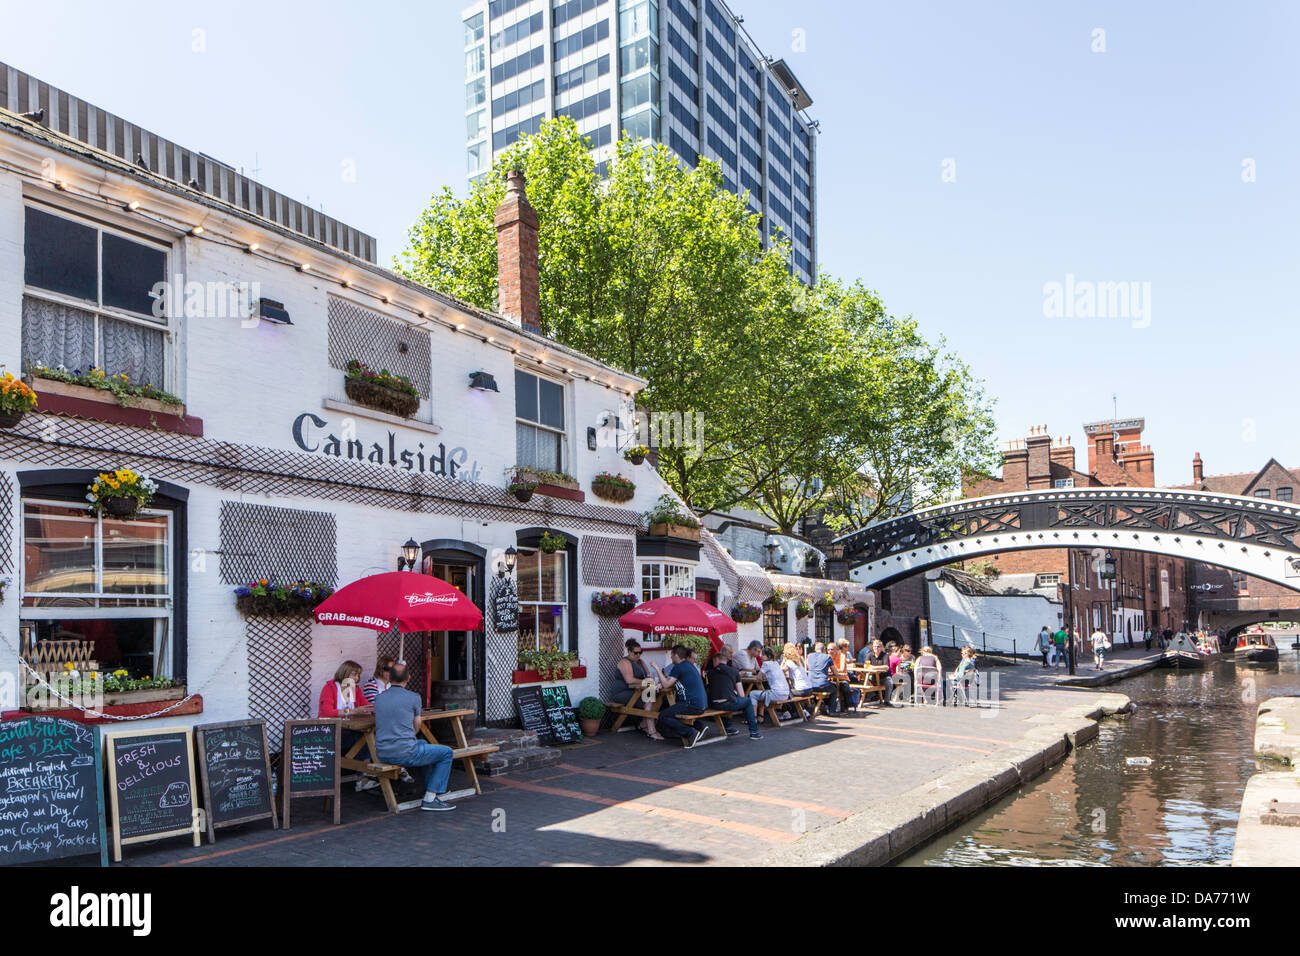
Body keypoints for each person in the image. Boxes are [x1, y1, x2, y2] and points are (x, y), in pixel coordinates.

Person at [373, 663, 456, 811]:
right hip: (405, 753)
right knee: (447, 753)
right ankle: (430, 798)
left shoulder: (378, 698)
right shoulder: (414, 697)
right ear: (408, 678)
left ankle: (430, 787)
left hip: (382, 753)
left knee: (423, 743)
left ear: (390, 678)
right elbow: (417, 726)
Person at [655, 644, 711, 747]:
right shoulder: (689, 665)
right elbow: (670, 681)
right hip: (701, 705)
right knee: (674, 711)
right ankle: (700, 726)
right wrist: (661, 683)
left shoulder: (679, 667)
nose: (671, 657)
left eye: (671, 655)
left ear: (676, 655)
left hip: (691, 705)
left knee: (663, 716)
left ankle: (691, 733)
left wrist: (657, 669)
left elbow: (667, 684)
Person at [705, 648, 763, 739]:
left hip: (713, 704)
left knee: (730, 698)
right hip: (727, 703)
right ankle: (754, 732)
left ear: (717, 660)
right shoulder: (734, 672)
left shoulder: (710, 673)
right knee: (747, 701)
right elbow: (742, 694)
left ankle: (728, 727)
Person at [612, 638, 663, 740]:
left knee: (659, 697)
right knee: (649, 698)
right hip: (624, 692)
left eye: (640, 652)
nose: (638, 655)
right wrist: (647, 682)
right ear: (630, 652)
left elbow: (648, 674)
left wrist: (652, 680)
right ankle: (651, 730)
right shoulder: (625, 662)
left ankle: (644, 724)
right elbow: (629, 680)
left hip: (638, 691)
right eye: (636, 653)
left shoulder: (641, 662)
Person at [749, 646, 792, 717]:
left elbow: (758, 678)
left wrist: (760, 676)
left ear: (768, 656)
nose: (761, 657)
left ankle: (753, 718)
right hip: (786, 694)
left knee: (752, 694)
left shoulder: (766, 664)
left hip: (776, 695)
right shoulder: (776, 663)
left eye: (763, 655)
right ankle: (761, 716)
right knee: (763, 693)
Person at [781, 643, 816, 719]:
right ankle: (802, 711)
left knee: (784, 693)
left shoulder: (789, 662)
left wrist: (783, 661)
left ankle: (787, 712)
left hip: (801, 690)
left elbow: (781, 671)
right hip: (809, 689)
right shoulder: (798, 662)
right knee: (791, 692)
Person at [805, 642, 840, 714]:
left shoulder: (809, 656)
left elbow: (807, 667)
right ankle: (831, 710)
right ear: (824, 649)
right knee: (834, 689)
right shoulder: (827, 657)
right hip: (822, 684)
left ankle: (820, 707)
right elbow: (836, 673)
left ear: (815, 649)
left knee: (818, 690)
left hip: (810, 684)